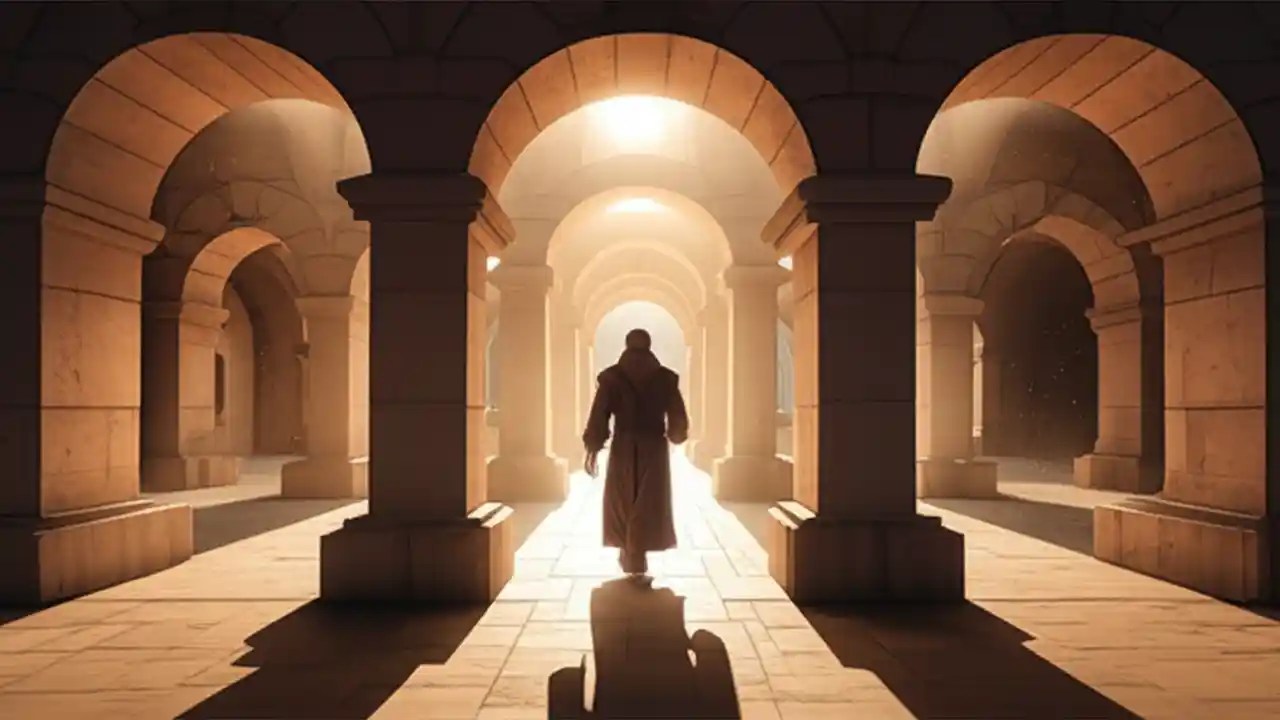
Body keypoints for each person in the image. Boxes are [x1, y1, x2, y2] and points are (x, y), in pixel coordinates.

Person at [582, 328, 690, 584]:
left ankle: (629, 551)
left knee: (623, 500)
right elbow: (677, 417)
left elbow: (600, 414)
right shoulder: (665, 379)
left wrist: (593, 446)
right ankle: (637, 552)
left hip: (624, 445)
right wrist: (676, 434)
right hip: (654, 446)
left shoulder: (612, 378)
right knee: (648, 501)